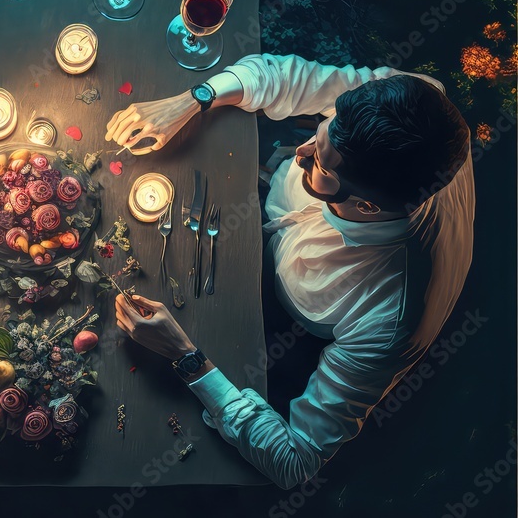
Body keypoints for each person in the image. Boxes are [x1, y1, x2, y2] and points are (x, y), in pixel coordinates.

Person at [105, 53, 474, 489]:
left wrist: (187, 358)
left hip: (280, 326)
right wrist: (195, 98)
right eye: (320, 134)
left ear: (368, 206)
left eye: (320, 166)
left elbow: (295, 462)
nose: (300, 153)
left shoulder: (390, 316)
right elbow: (287, 77)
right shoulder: (413, 99)